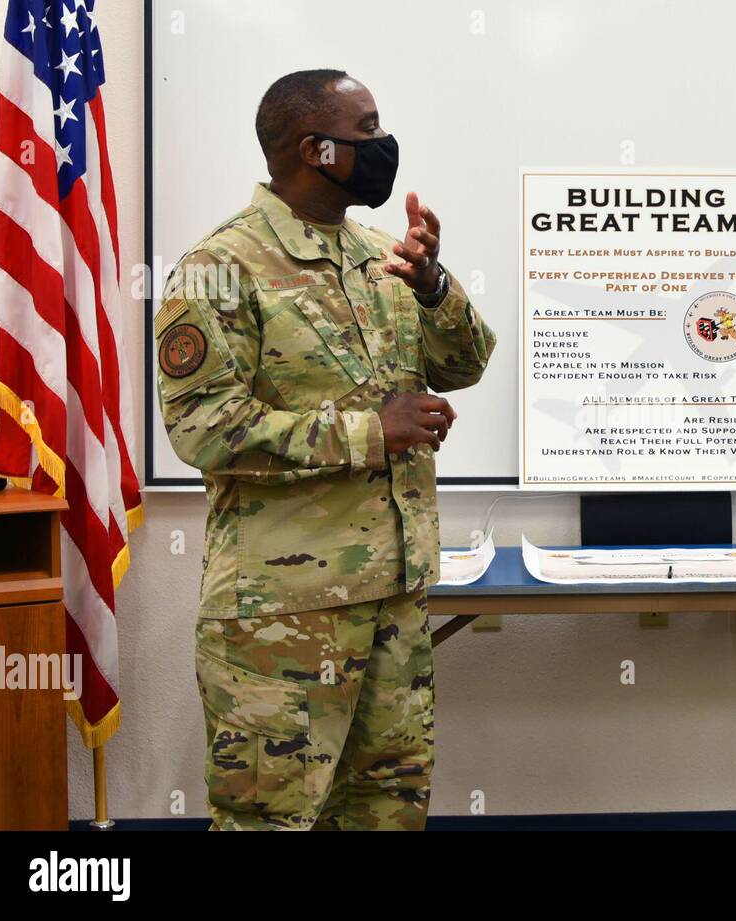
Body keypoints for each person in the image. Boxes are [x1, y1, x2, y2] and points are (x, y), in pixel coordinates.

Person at [154, 69, 496, 830]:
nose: (382, 144)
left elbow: (467, 363)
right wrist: (372, 432)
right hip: (280, 619)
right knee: (269, 820)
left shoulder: (381, 256)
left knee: (386, 814)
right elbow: (204, 426)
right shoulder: (221, 268)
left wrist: (436, 285)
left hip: (395, 604)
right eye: (367, 129)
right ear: (318, 150)